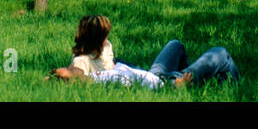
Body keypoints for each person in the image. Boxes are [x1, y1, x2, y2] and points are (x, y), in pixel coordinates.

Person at [49, 24, 239, 89]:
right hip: (167, 84)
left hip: (153, 74)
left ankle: (198, 81)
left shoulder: (103, 67)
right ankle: (227, 88)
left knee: (175, 45)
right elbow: (73, 70)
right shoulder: (101, 80)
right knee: (221, 54)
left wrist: (52, 77)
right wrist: (176, 85)